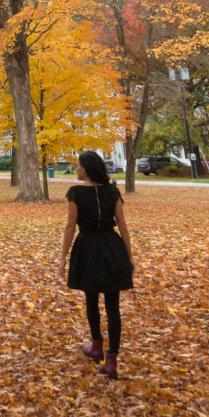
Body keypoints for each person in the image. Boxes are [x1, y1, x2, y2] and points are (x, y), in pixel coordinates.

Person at [59, 149, 134, 380]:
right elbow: (122, 225)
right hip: (112, 248)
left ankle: (97, 346)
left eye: (79, 165)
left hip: (88, 249)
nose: (77, 169)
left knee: (91, 298)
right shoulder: (112, 192)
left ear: (87, 169)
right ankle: (111, 359)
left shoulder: (75, 194)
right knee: (113, 306)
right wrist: (129, 257)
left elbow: (70, 227)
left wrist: (62, 258)